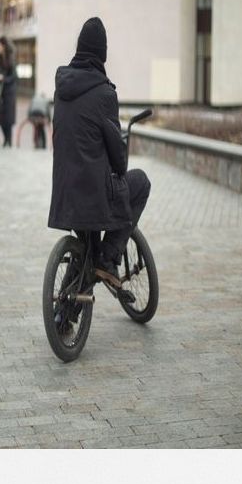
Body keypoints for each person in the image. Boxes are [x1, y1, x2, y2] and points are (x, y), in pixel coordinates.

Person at [47, 17, 151, 286]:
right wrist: (118, 158)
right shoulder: (105, 94)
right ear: (102, 54)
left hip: (65, 193)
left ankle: (64, 316)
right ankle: (108, 258)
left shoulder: (61, 89)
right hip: (93, 196)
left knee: (85, 252)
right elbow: (119, 161)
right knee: (139, 182)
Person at [0, 36, 18, 147]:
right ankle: (5, 139)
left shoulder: (11, 57)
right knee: (0, 118)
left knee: (8, 118)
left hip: (9, 91)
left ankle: (8, 140)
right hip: (1, 92)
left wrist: (4, 79)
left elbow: (14, 76)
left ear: (3, 46)